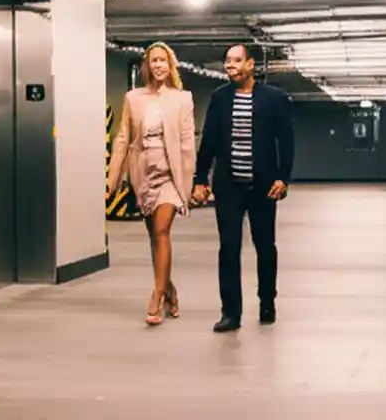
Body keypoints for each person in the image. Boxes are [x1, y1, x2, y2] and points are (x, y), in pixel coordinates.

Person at [191, 43, 294, 332]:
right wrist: (200, 180)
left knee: (265, 246)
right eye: (227, 61)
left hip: (263, 186)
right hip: (229, 186)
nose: (230, 66)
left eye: (236, 60)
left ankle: (267, 301)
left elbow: (286, 140)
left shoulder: (273, 99)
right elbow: (208, 141)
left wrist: (282, 178)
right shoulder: (220, 99)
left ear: (250, 65)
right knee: (228, 248)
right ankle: (231, 312)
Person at [106, 42, 196, 326]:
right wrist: (113, 178)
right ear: (147, 66)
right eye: (153, 60)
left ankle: (156, 296)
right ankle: (170, 291)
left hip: (169, 173)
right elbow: (123, 138)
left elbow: (186, 144)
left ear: (171, 65)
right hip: (143, 172)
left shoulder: (183, 99)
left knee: (162, 231)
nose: (158, 65)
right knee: (154, 239)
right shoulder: (134, 98)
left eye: (163, 60)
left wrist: (187, 184)